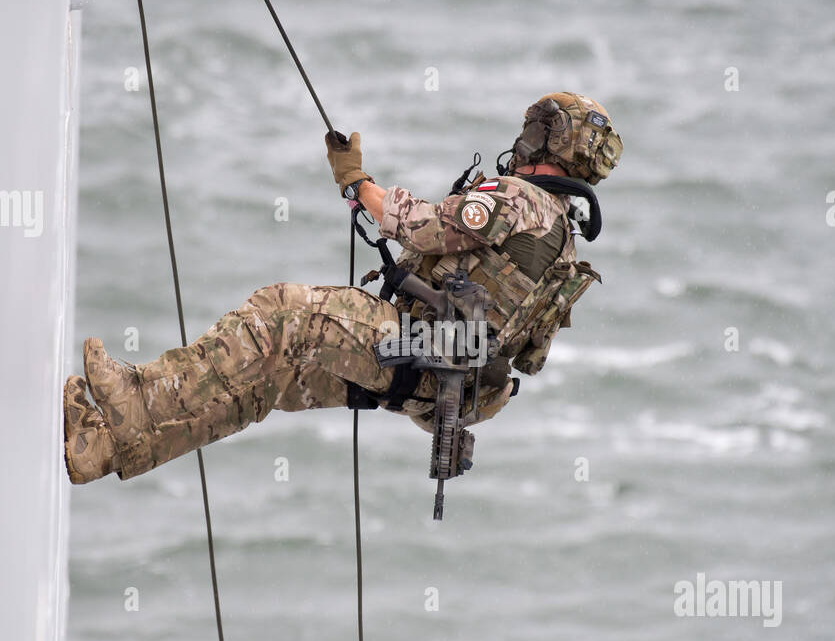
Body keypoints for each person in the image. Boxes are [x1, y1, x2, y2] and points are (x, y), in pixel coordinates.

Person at [63, 91, 622, 485]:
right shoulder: (562, 237)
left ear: (555, 145)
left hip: (417, 350)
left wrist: (357, 181)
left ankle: (138, 398)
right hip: (433, 380)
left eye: (535, 131)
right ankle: (107, 448)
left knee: (281, 314)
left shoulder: (523, 199)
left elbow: (425, 224)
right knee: (270, 379)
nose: (523, 141)